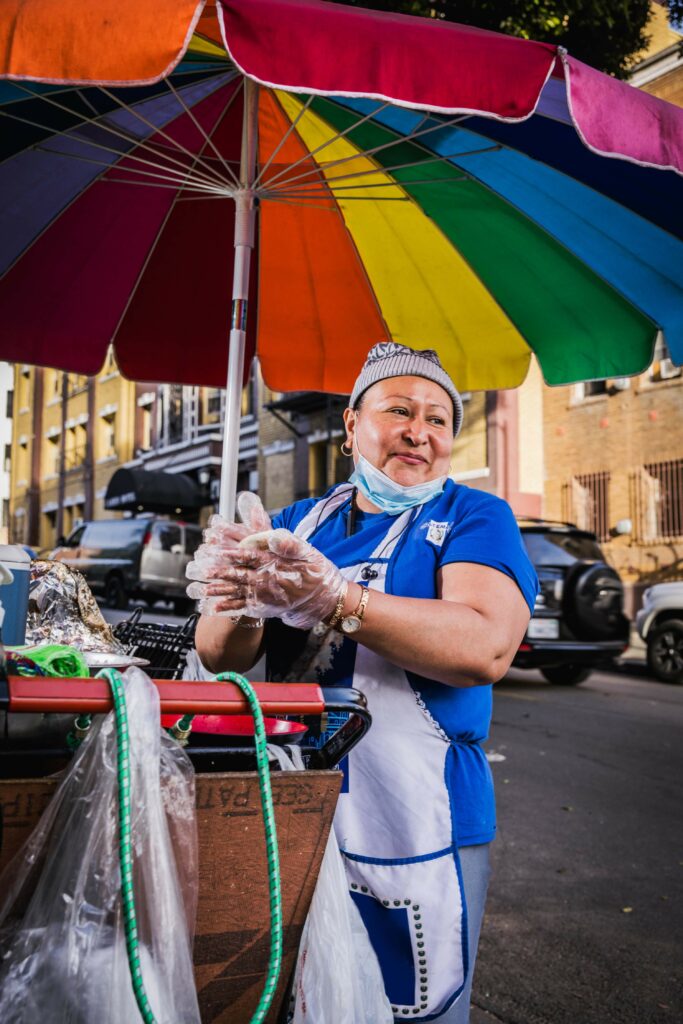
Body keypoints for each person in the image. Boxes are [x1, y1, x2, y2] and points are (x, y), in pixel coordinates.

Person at [193, 341, 538, 1023]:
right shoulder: (297, 524)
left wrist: (334, 600)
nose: (420, 432)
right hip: (290, 811)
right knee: (293, 1001)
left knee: (407, 1005)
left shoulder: (474, 517)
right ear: (352, 425)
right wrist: (243, 597)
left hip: (421, 819)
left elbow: (484, 648)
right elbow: (217, 655)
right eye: (399, 410)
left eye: (439, 420)